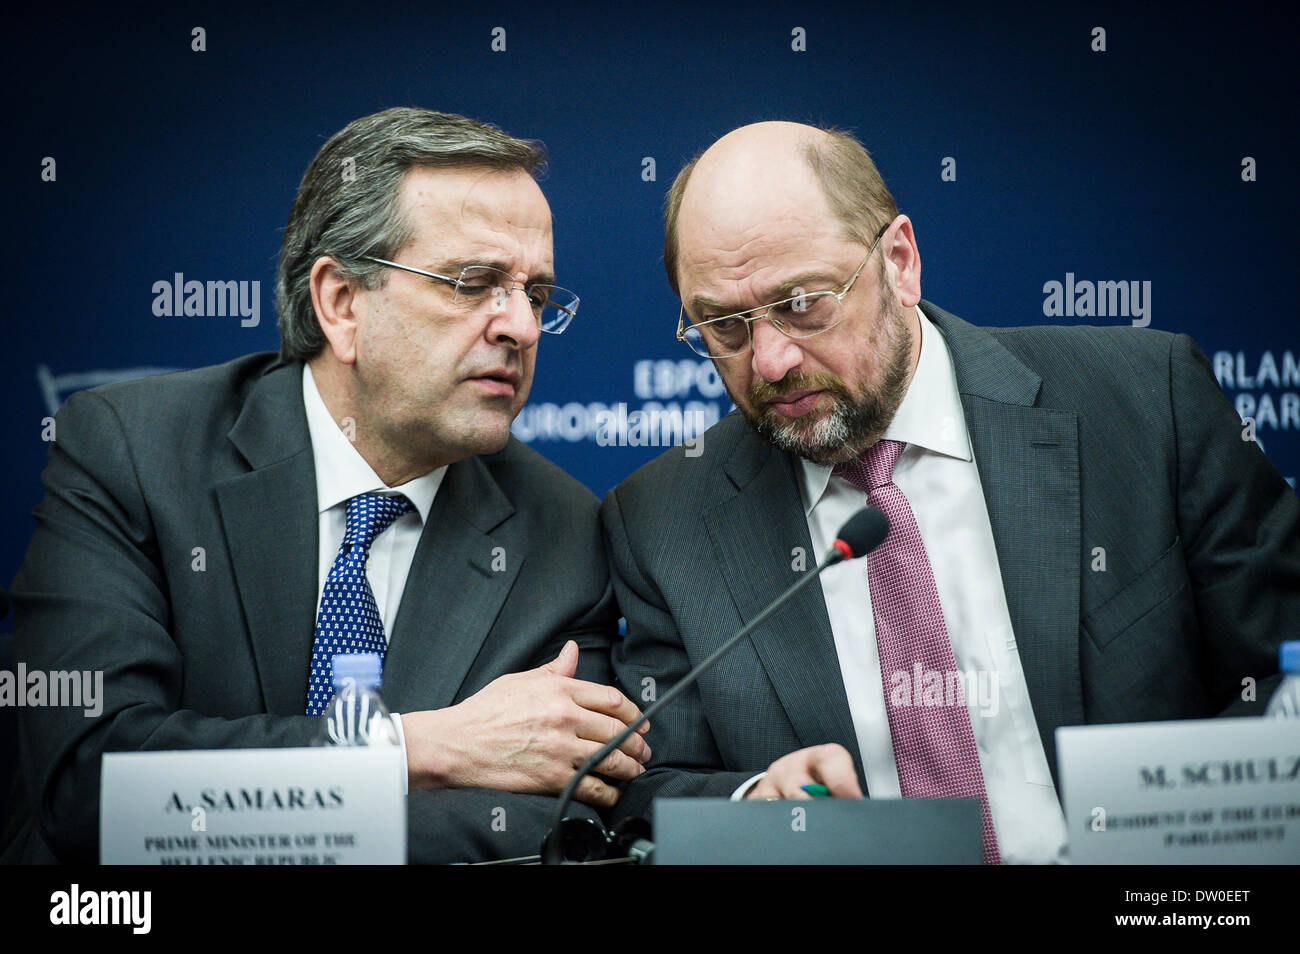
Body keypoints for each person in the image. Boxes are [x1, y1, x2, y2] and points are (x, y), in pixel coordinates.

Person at [602, 121, 1299, 863]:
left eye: (804, 302)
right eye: (723, 326)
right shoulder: (662, 520)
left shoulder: (1144, 404)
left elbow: (1278, 679)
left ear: (899, 261)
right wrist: (754, 808)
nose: (769, 360)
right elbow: (645, 786)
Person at [3, 107, 651, 865]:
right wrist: (411, 748)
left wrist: (249, 801)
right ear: (341, 302)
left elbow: (547, 824)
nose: (522, 328)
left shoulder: (562, 533)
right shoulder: (134, 452)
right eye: (474, 283)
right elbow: (95, 783)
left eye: (535, 294)